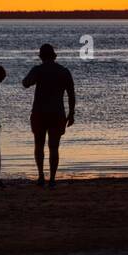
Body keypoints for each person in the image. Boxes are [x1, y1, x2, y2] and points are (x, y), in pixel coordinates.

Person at [22, 44, 75, 188]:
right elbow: (71, 94)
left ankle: (40, 176)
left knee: (39, 145)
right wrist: (71, 113)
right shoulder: (63, 71)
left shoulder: (38, 70)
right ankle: (52, 179)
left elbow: (26, 83)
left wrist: (36, 76)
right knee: (54, 147)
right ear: (54, 56)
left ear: (41, 56)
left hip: (39, 113)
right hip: (57, 113)